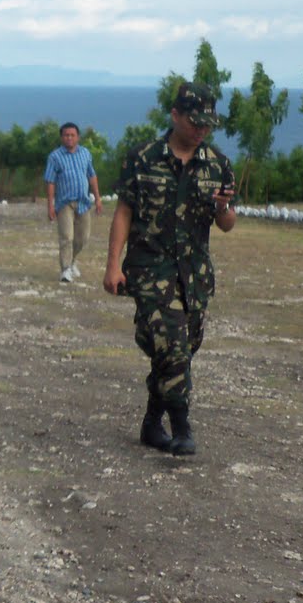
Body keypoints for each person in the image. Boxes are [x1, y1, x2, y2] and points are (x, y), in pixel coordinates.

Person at [103, 82, 236, 457]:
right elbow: (124, 212)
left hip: (193, 275)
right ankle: (181, 426)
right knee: (172, 345)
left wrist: (223, 208)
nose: (201, 130)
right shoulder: (142, 158)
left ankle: (151, 422)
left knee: (182, 348)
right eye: (194, 122)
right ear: (175, 115)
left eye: (207, 124)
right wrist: (112, 265)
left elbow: (226, 224)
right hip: (150, 268)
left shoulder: (218, 165)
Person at [46, 122, 103, 282]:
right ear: (62, 137)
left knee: (83, 237)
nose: (69, 138)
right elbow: (50, 181)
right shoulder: (55, 157)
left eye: (72, 135)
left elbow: (92, 175)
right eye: (66, 135)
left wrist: (97, 198)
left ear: (78, 137)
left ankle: (72, 262)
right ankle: (65, 270)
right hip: (64, 203)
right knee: (67, 237)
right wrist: (50, 205)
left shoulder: (85, 153)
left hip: (84, 202)